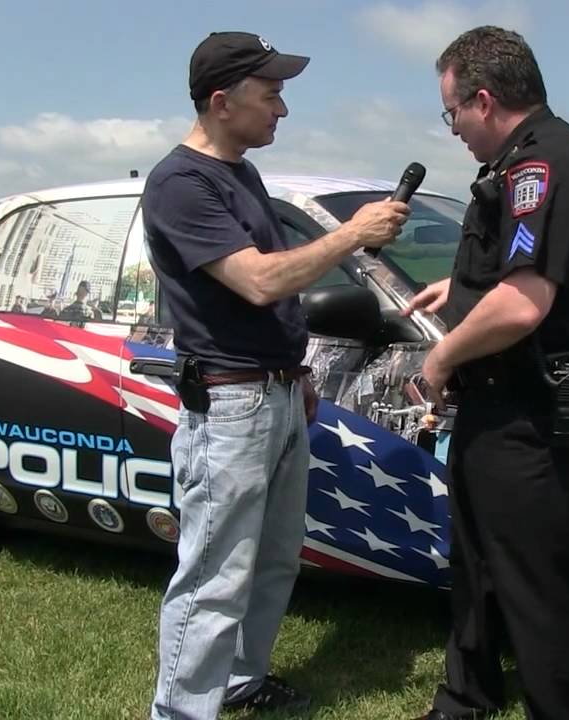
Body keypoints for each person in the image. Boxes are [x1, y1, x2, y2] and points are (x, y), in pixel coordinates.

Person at [140, 30, 410, 720]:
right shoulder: (179, 183)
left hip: (277, 392)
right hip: (230, 405)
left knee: (272, 561)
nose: (282, 109)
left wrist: (296, 371)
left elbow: (280, 290)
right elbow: (259, 282)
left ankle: (238, 681)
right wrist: (351, 233)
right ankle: (180, 710)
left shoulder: (244, 175)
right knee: (213, 575)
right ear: (223, 101)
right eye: (272, 93)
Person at [402, 25, 569, 720]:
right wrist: (460, 291)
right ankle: (464, 698)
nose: (455, 130)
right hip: (501, 408)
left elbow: (526, 302)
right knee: (475, 565)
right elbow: (514, 274)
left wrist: (437, 361)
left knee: (533, 588)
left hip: (533, 416)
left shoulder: (545, 167)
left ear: (486, 100)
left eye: (453, 113)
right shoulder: (527, 163)